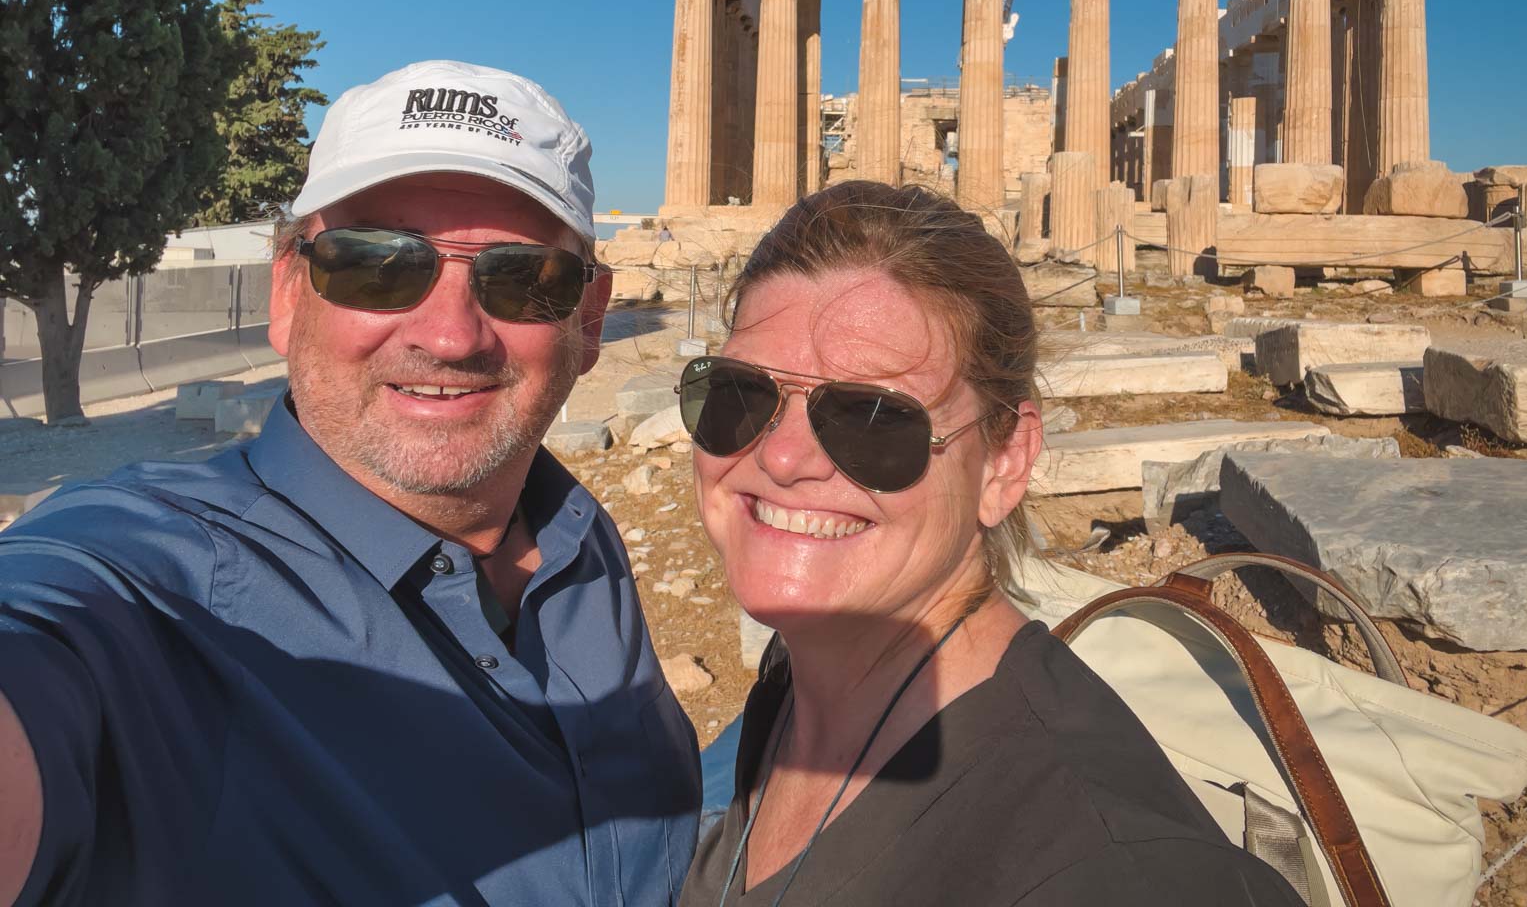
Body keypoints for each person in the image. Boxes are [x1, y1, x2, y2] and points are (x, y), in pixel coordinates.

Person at [0, 61, 700, 906]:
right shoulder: (142, 586)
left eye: (520, 277)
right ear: (289, 294)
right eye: (376, 265)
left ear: (587, 321)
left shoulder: (575, 541)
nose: (449, 337)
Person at [675, 181, 1301, 906]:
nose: (782, 459)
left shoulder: (1108, 868)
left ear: (1004, 463)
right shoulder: (801, 677)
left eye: (873, 419)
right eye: (739, 394)